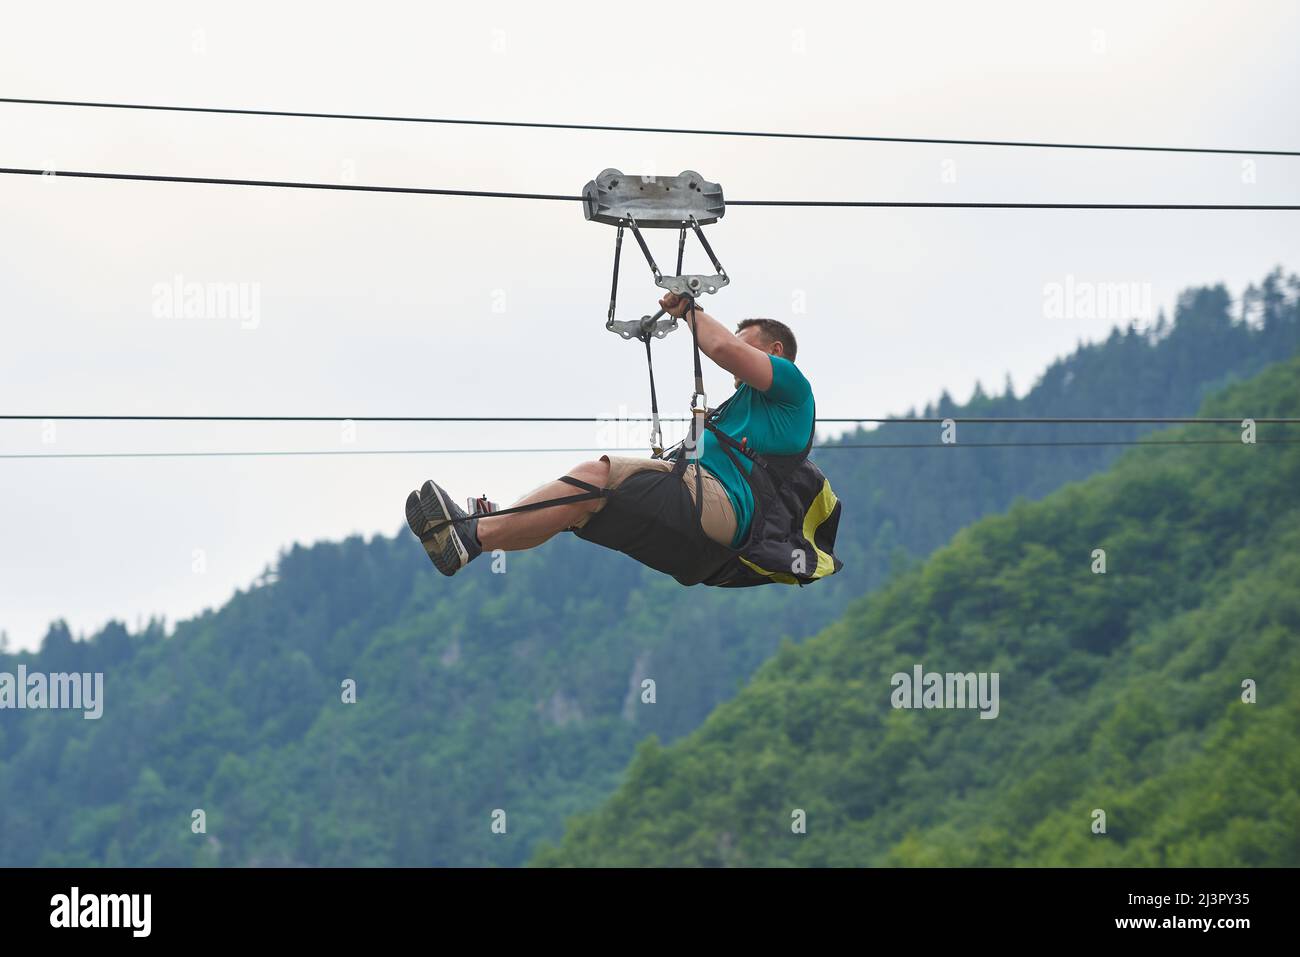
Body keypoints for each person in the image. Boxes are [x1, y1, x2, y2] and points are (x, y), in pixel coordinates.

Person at [406, 292, 816, 578]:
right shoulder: (742, 409)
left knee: (595, 475)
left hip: (718, 509)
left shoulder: (791, 386)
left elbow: (723, 348)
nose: (734, 369)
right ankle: (482, 531)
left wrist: (690, 310)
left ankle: (474, 533)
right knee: (582, 504)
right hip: (704, 517)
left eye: (751, 349)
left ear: (776, 351)